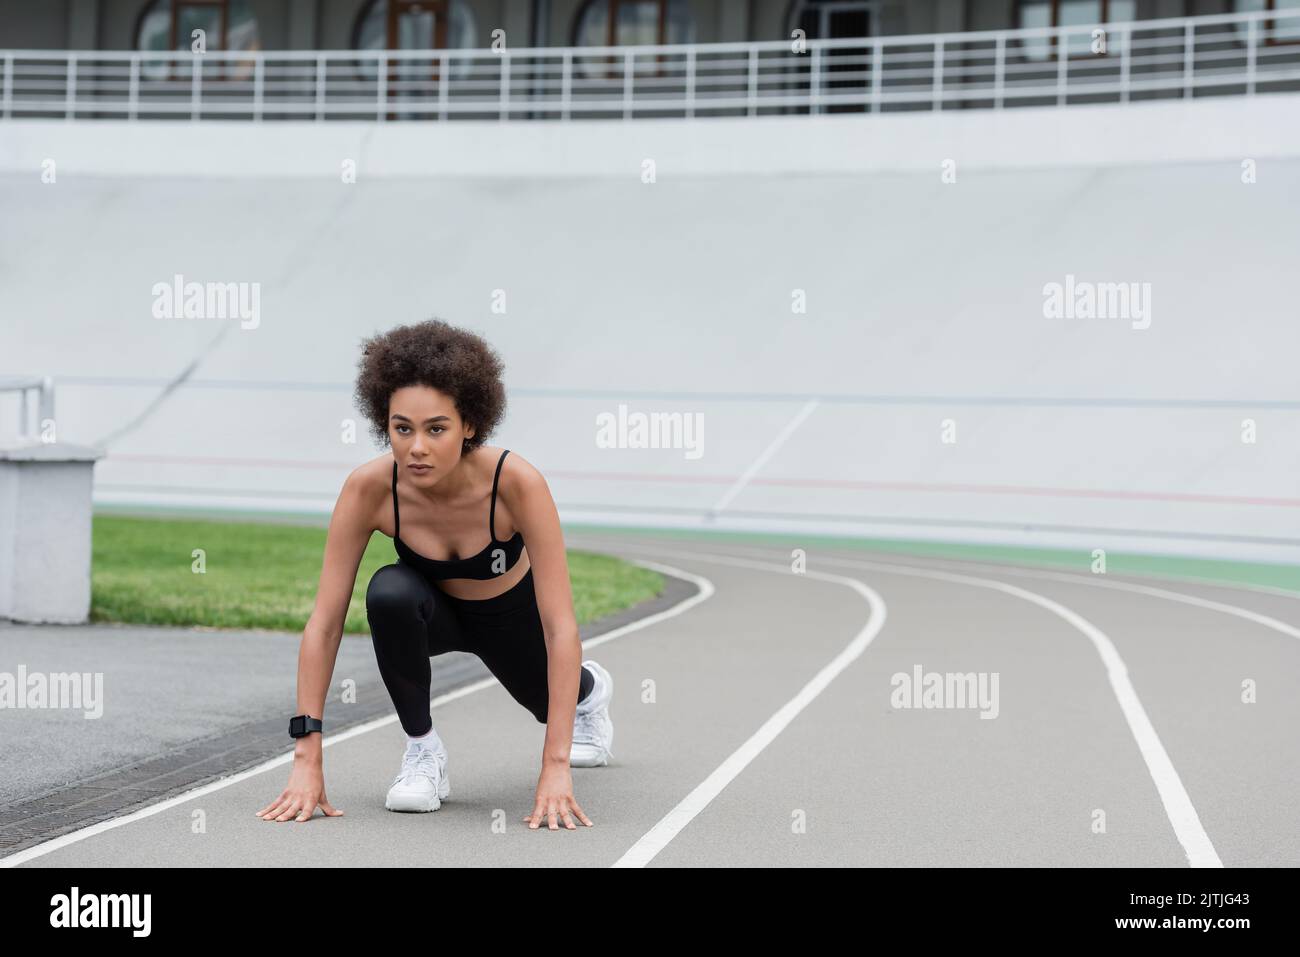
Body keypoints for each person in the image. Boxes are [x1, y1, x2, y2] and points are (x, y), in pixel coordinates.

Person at [255, 318, 614, 831]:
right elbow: (325, 624)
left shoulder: (516, 483)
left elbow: (561, 629)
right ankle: (423, 752)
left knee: (551, 700)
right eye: (402, 429)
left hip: (509, 619)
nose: (416, 447)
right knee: (389, 592)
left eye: (435, 429)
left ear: (470, 424)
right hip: (433, 615)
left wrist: (554, 766)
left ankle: (590, 694)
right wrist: (306, 759)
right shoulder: (369, 490)